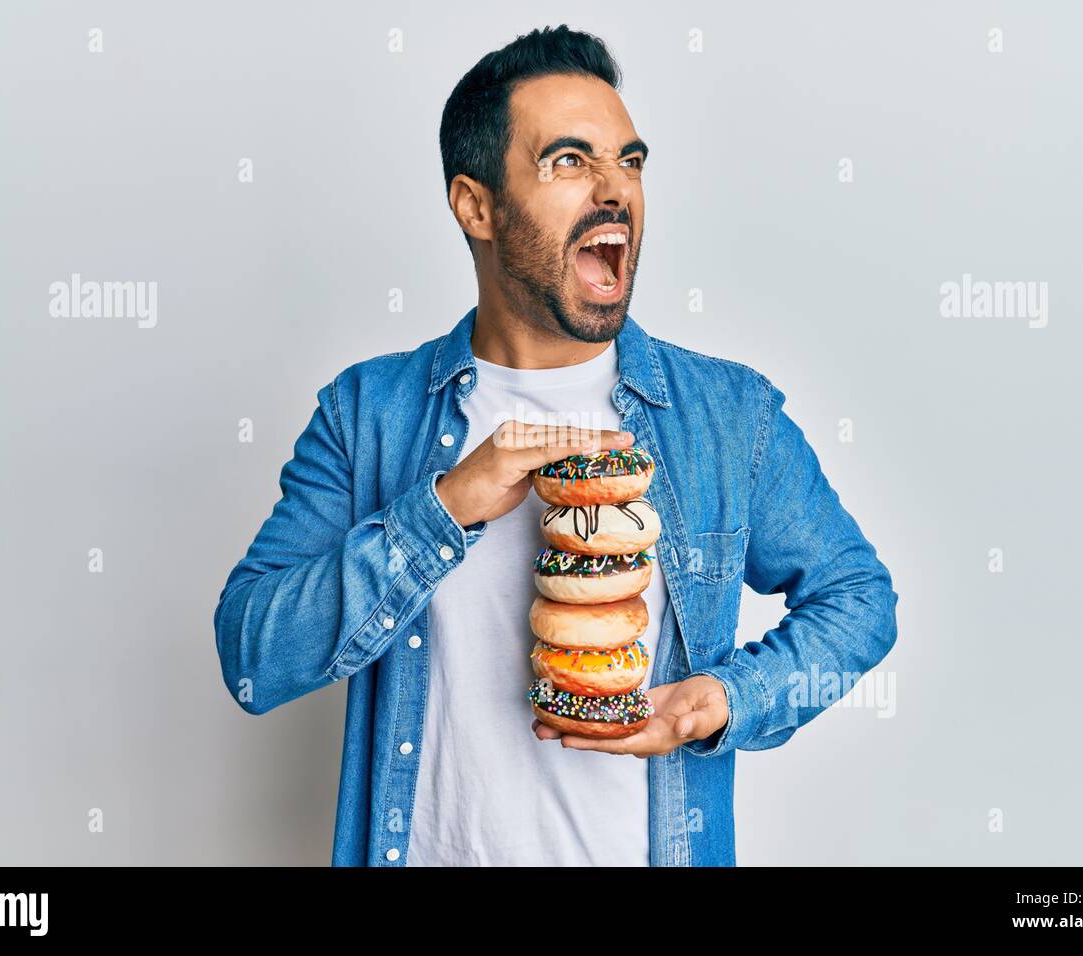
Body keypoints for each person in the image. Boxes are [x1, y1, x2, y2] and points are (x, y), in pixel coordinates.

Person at [213, 25, 898, 866]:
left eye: (631, 161)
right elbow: (252, 653)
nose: (615, 190)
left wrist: (716, 702)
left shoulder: (727, 416)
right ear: (477, 206)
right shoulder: (367, 414)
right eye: (569, 161)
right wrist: (445, 507)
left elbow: (859, 598)